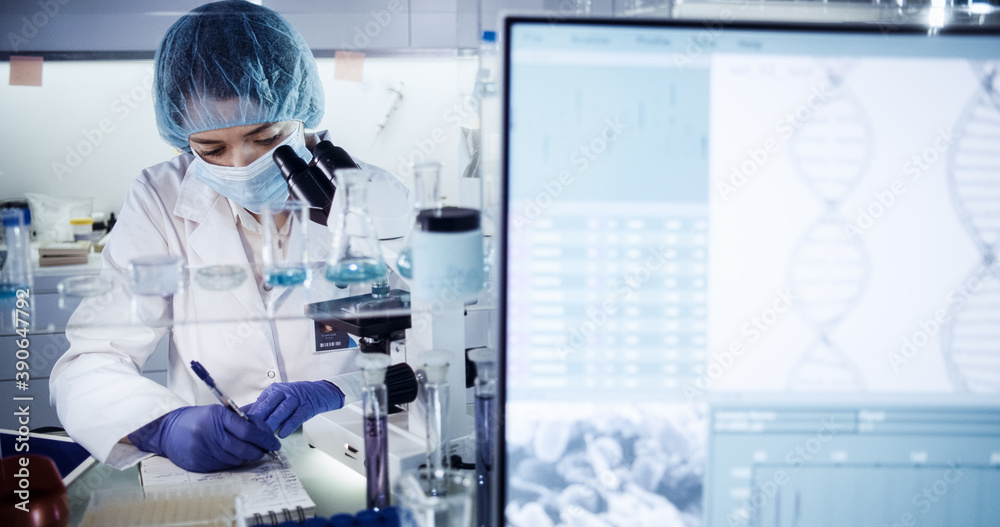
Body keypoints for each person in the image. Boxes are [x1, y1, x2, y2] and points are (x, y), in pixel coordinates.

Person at [49, 0, 411, 473]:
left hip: (357, 455)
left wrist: (341, 390)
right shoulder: (160, 198)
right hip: (226, 471)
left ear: (301, 113)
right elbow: (92, 359)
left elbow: (438, 344)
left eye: (265, 139)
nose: (242, 165)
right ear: (183, 139)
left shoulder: (374, 198)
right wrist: (162, 425)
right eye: (211, 148)